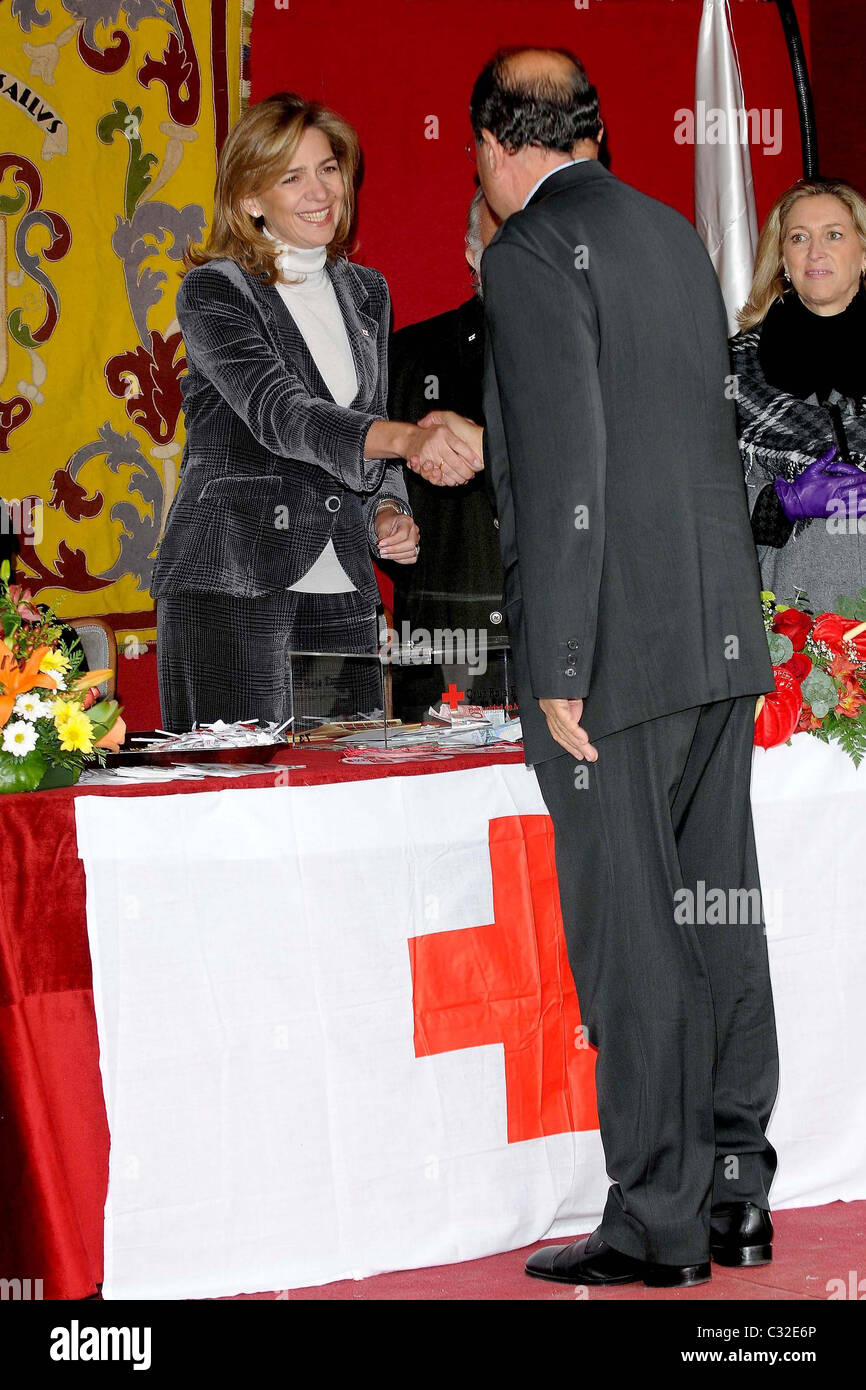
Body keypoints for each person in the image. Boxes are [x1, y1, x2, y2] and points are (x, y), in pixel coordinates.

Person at [426, 46, 779, 1287]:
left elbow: (566, 469)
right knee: (715, 911)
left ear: (494, 142)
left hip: (613, 652)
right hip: (716, 628)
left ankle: (654, 1222)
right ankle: (735, 1189)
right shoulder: (673, 233)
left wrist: (559, 660)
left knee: (634, 935)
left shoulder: (527, 251)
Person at [151, 92, 481, 731]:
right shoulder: (216, 289)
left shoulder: (367, 291)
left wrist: (389, 508)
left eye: (328, 167)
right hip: (234, 586)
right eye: (291, 175)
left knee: (343, 799)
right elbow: (281, 414)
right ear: (250, 197)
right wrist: (410, 441)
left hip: (343, 591)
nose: (319, 191)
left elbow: (365, 421)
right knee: (244, 808)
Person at [386, 188, 507, 717]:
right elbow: (363, 489)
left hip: (574, 661)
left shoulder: (598, 359)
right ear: (471, 253)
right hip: (443, 664)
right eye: (504, 231)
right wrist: (385, 523)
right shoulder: (407, 360)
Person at [731, 178, 866, 613]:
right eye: (798, 238)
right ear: (782, 260)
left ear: (863, 254)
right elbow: (698, 500)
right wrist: (780, 502)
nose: (815, 251)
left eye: (834, 234)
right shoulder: (732, 369)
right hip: (790, 631)